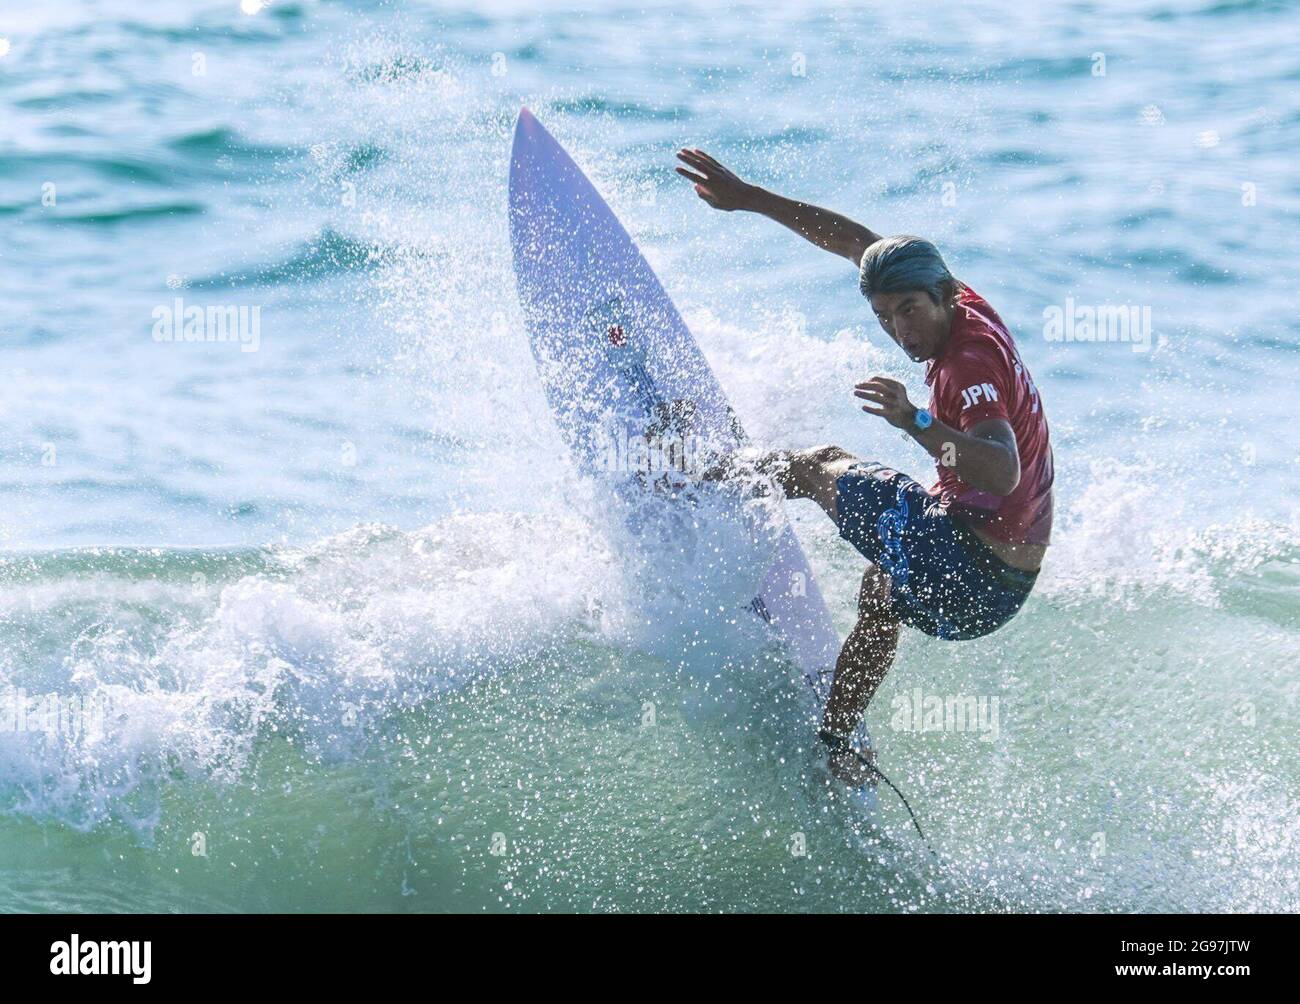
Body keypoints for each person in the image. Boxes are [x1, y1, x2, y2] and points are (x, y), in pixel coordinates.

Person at [676, 148, 1054, 786]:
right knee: (883, 590)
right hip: (995, 591)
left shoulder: (965, 367)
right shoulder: (953, 297)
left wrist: (917, 421)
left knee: (822, 466)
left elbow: (1001, 471)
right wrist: (750, 199)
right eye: (884, 316)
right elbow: (854, 242)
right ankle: (836, 742)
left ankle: (692, 473)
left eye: (909, 311)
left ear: (940, 296)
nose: (900, 331)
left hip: (971, 570)